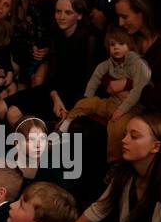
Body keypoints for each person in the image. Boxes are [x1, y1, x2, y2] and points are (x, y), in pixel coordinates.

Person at [3, 0, 101, 128]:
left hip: (76, 99)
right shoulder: (55, 34)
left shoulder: (90, 40)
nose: (61, 16)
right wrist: (55, 97)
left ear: (79, 15)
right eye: (58, 11)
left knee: (15, 115)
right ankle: (22, 147)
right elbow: (52, 75)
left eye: (68, 12)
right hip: (53, 92)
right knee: (5, 110)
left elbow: (90, 84)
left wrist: (73, 110)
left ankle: (34, 146)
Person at [60, 26, 152, 166]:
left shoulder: (137, 64)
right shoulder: (108, 63)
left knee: (117, 127)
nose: (116, 48)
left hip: (130, 107)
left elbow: (138, 91)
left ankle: (114, 162)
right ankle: (64, 127)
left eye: (121, 44)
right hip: (112, 102)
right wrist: (88, 97)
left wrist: (121, 110)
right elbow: (96, 77)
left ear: (130, 45)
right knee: (87, 103)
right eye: (112, 45)